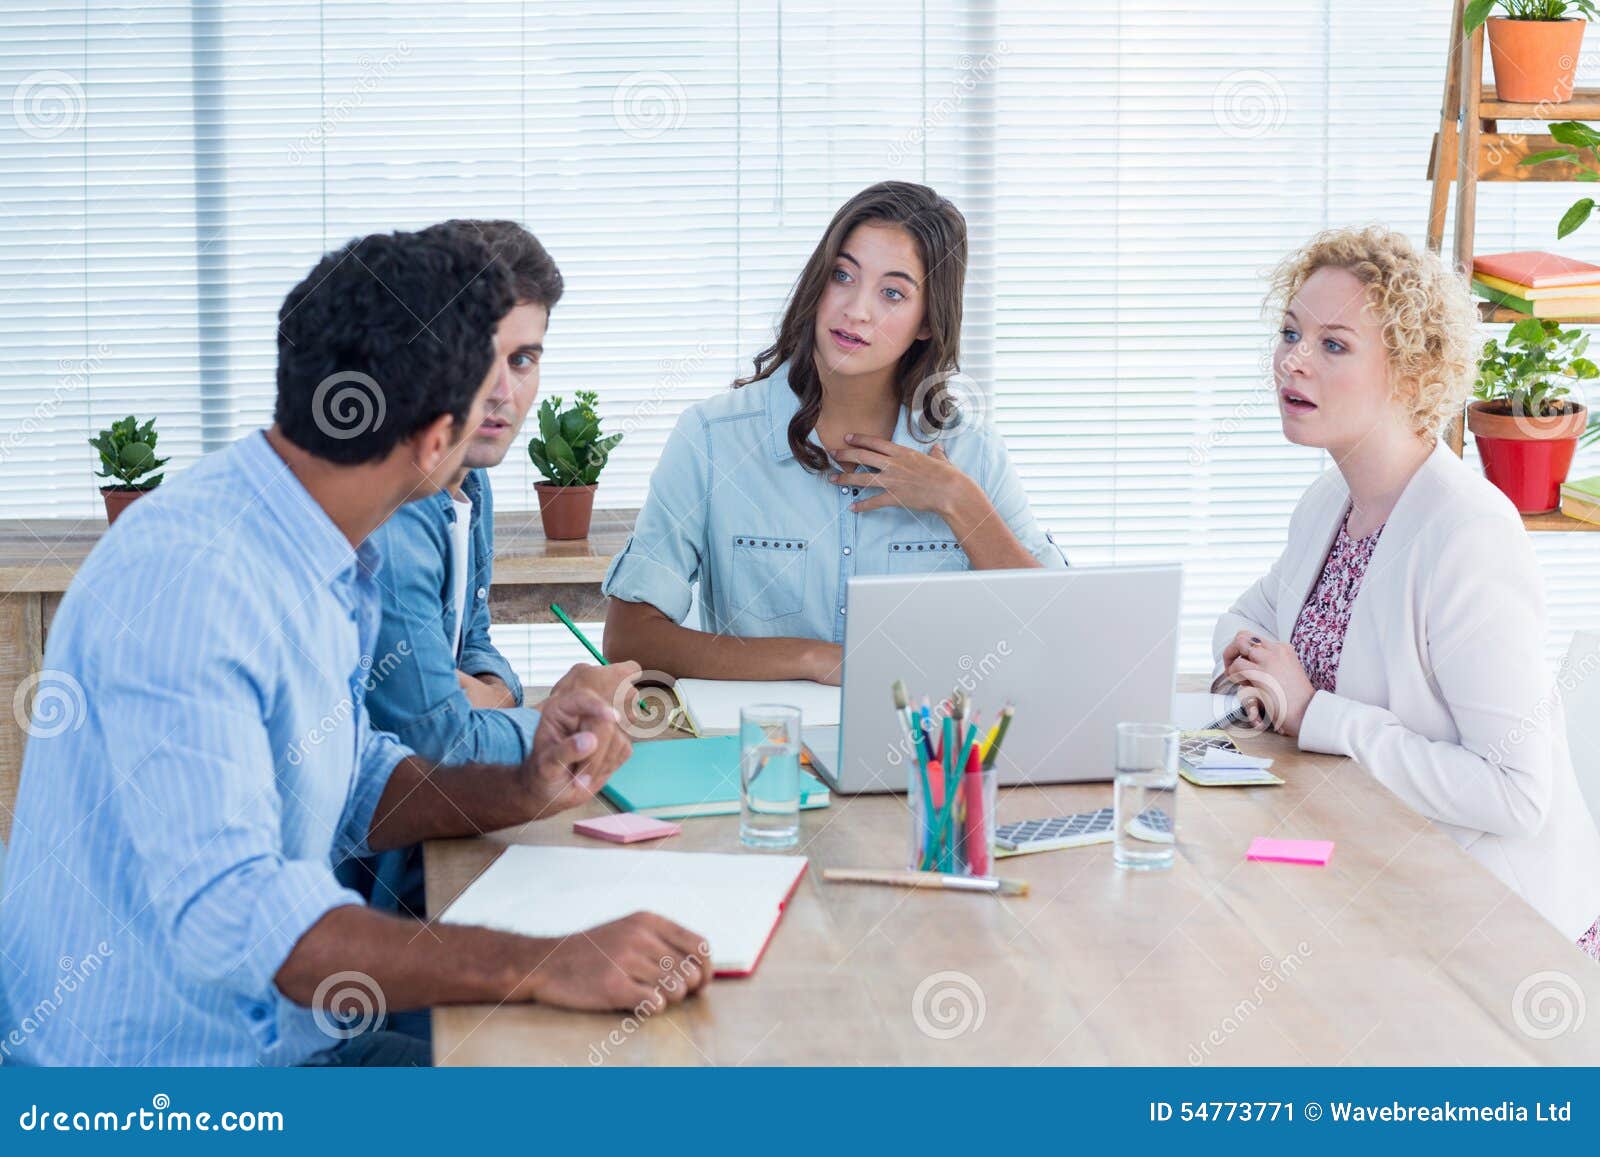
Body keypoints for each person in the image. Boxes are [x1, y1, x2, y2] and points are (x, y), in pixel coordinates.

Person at [0, 227, 707, 1068]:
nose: (505, 409)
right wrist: (540, 962)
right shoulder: (195, 583)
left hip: (289, 1033)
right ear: (436, 437)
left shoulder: (317, 542)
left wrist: (521, 786)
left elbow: (352, 779)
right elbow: (240, 911)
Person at [1214, 224, 1600, 954]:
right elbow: (1246, 617)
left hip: (1499, 928)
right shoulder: (1330, 504)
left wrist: (1313, 712)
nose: (1291, 359)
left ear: (1413, 375)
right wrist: (1251, 661)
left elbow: (1513, 794)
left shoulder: (1468, 532)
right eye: (1290, 332)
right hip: (1380, 883)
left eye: (1333, 344)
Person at [602, 181, 1064, 682]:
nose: (856, 309)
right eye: (843, 275)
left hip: (925, 751)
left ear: (927, 321)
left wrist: (959, 502)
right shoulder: (713, 438)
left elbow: (1055, 631)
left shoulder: (971, 453)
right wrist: (813, 658)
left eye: (892, 292)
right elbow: (630, 637)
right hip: (766, 749)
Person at [354, 220, 639, 920]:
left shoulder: (468, 485)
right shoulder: (393, 517)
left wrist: (492, 693)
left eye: (523, 359)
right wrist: (555, 719)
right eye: (479, 356)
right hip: (372, 887)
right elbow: (440, 744)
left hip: (442, 843)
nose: (502, 391)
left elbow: (476, 645)